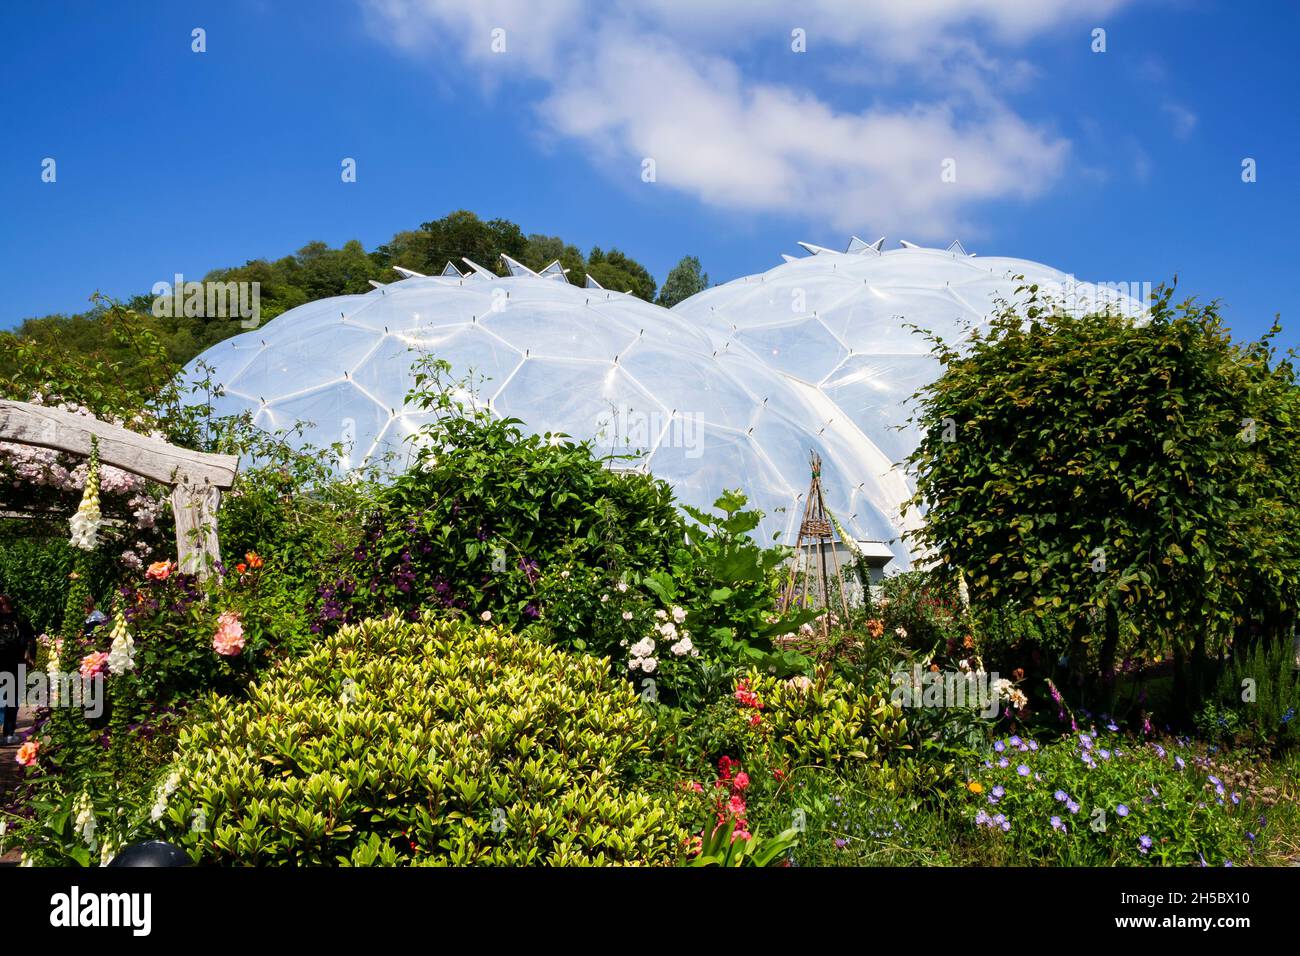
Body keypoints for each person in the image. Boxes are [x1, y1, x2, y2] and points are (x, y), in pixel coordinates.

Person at [0, 594, 35, 745]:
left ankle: (9, 732)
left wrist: (30, 655)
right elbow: (30, 639)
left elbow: (30, 639)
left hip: (15, 662)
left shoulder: (20, 620)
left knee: (12, 699)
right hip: (8, 662)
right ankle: (8, 732)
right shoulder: (20, 619)